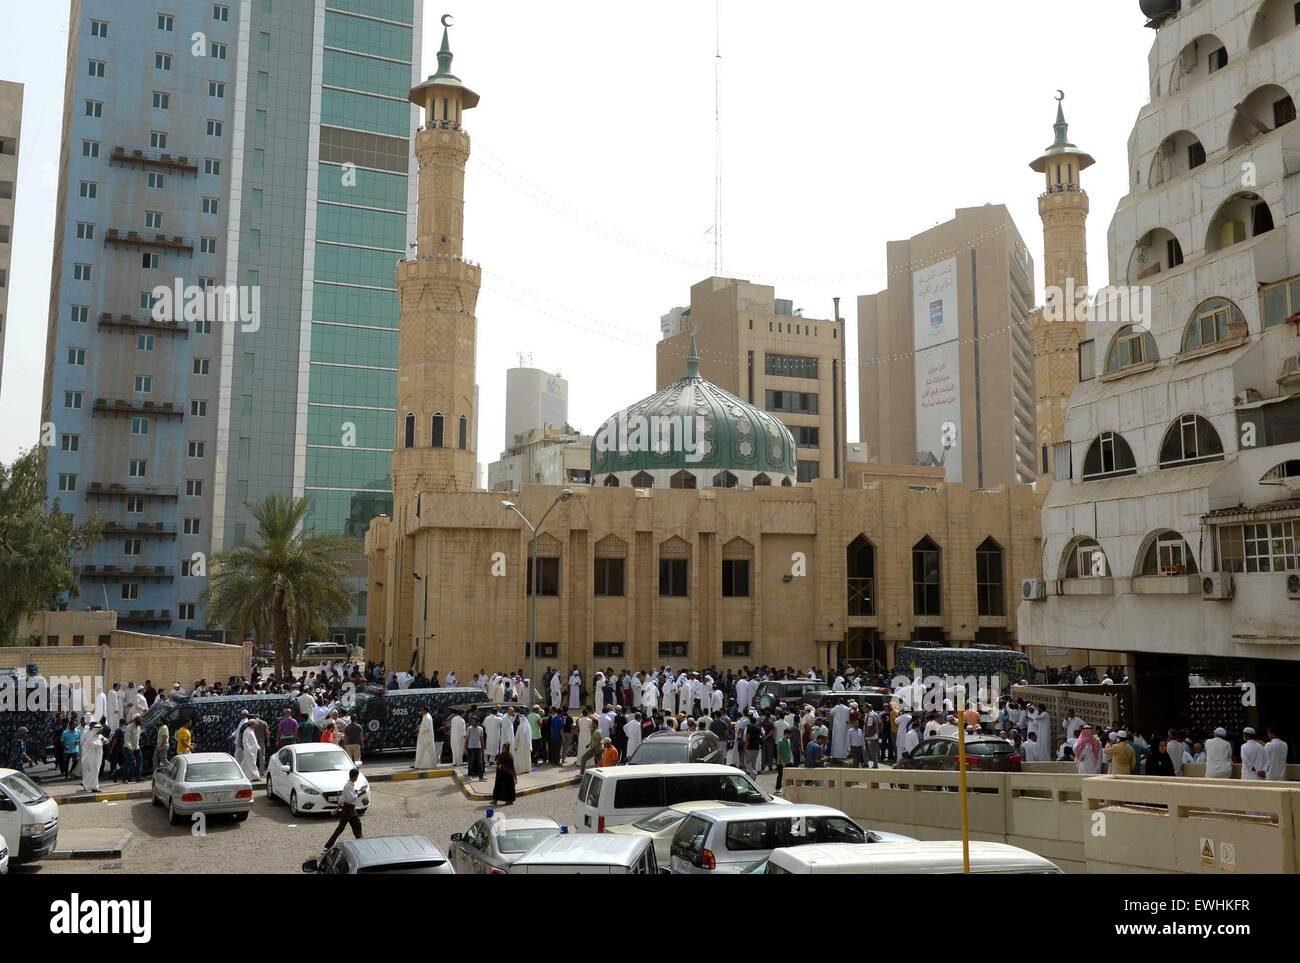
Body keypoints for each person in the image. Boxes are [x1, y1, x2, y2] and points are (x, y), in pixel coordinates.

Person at [323, 769, 364, 850]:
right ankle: (361, 841)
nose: (357, 777)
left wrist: (337, 808)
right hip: (349, 809)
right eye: (357, 776)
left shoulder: (350, 785)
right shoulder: (348, 786)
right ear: (355, 776)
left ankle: (328, 845)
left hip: (349, 809)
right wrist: (360, 793)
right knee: (355, 825)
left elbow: (343, 797)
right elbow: (351, 798)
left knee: (352, 825)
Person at [79, 723, 107, 792]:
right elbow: (95, 745)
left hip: (98, 755)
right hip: (92, 756)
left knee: (96, 771)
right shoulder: (91, 737)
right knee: (94, 771)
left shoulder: (100, 736)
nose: (102, 731)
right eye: (101, 730)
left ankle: (87, 784)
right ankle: (95, 788)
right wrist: (102, 741)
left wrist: (104, 740)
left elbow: (106, 740)